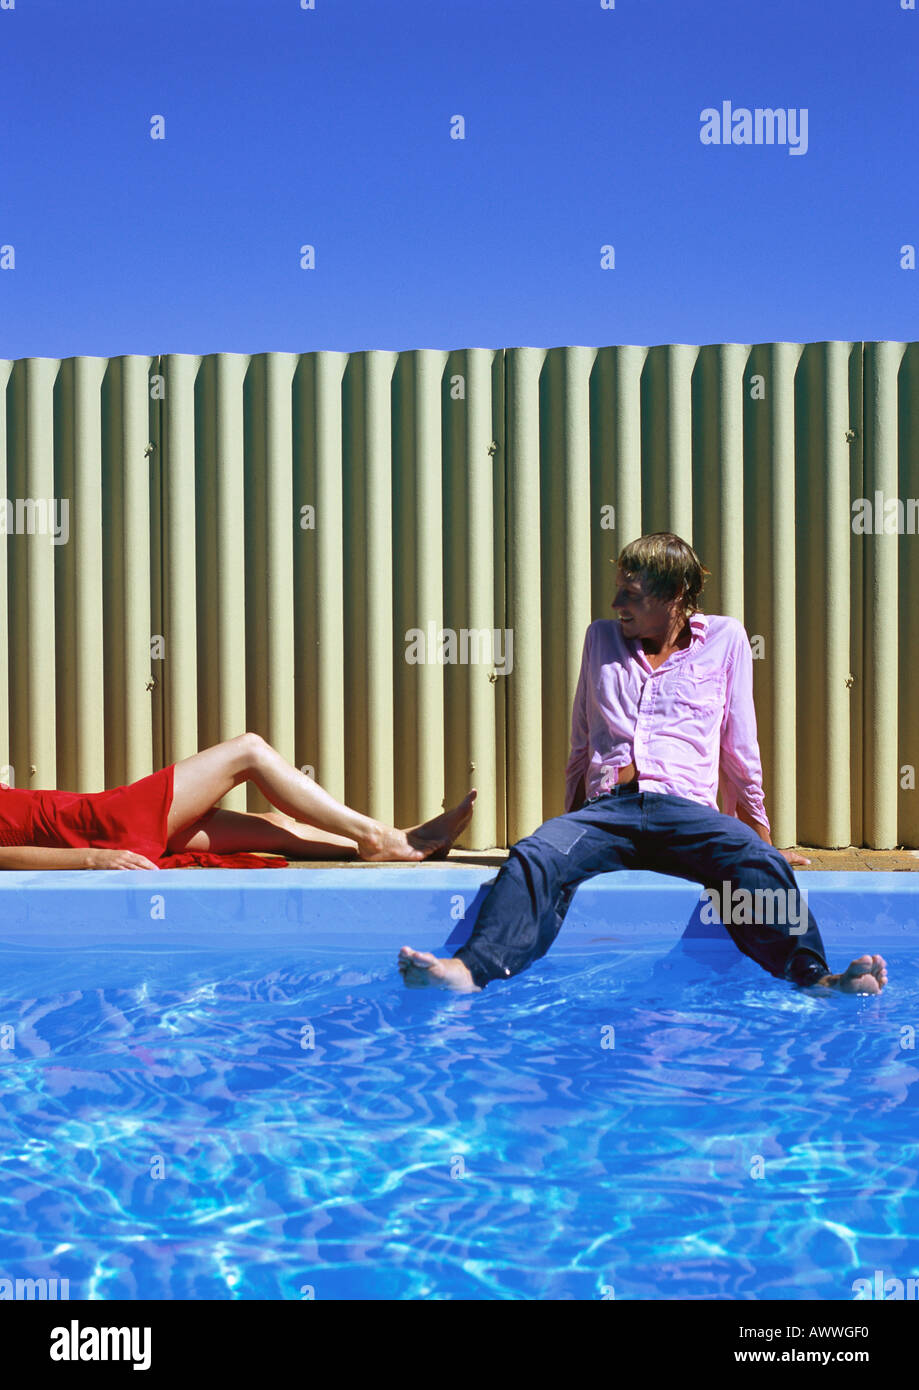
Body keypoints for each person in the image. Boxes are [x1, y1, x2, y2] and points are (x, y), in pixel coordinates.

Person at [399, 532, 887, 996]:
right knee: (538, 853)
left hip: (688, 811)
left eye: (629, 595)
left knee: (755, 863)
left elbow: (740, 747)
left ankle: (817, 980)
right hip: (610, 808)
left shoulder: (726, 640)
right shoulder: (601, 639)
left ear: (673, 594)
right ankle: (469, 970)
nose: (616, 606)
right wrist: (568, 824)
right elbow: (582, 740)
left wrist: (759, 835)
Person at [0, 732, 476, 870]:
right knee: (249, 751)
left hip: (97, 818)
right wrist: (92, 858)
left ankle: (405, 845)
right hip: (103, 825)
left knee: (266, 825)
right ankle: (378, 837)